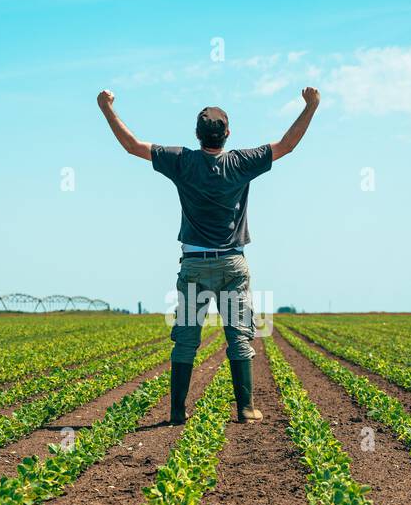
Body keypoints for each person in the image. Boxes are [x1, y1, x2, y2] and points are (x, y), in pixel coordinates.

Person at [96, 86, 320, 423]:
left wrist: (106, 108)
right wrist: (311, 105)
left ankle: (176, 412)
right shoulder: (242, 162)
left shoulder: (182, 160)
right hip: (232, 264)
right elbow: (287, 145)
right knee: (239, 337)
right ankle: (245, 409)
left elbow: (132, 146)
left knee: (186, 340)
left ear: (197, 135)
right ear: (227, 133)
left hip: (194, 267)